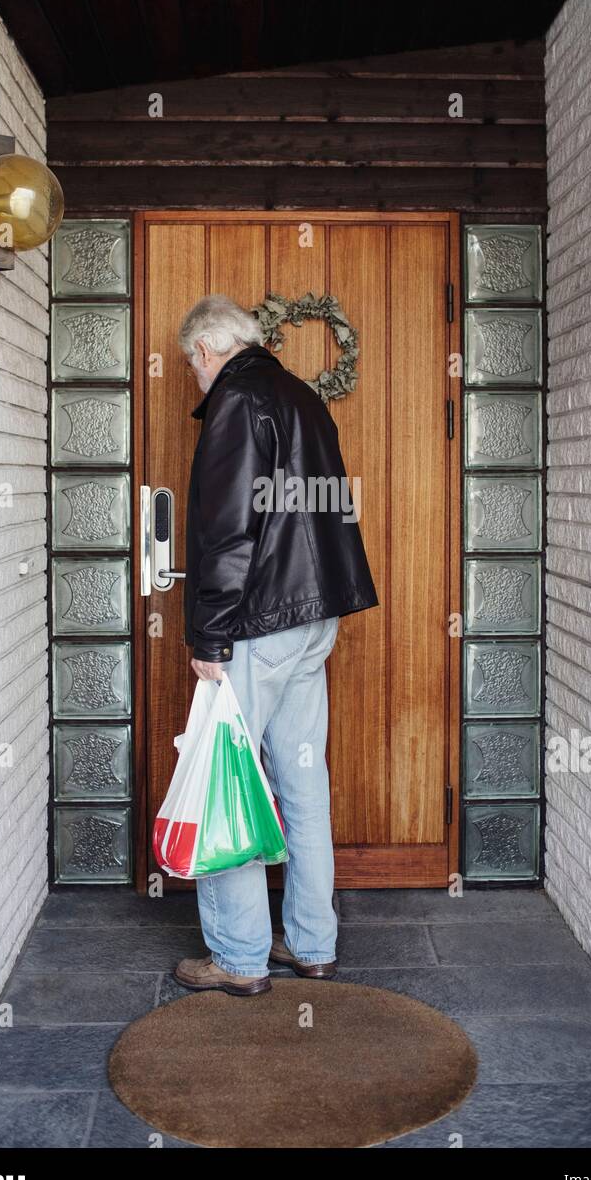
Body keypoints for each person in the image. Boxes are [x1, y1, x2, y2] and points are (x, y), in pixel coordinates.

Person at [172, 294, 379, 996]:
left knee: (225, 775)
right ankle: (314, 944)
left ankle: (238, 958)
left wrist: (209, 634)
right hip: (315, 617)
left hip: (258, 622)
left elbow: (229, 531)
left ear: (206, 351)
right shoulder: (302, 396)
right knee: (301, 780)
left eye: (191, 368)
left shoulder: (237, 400)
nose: (196, 381)